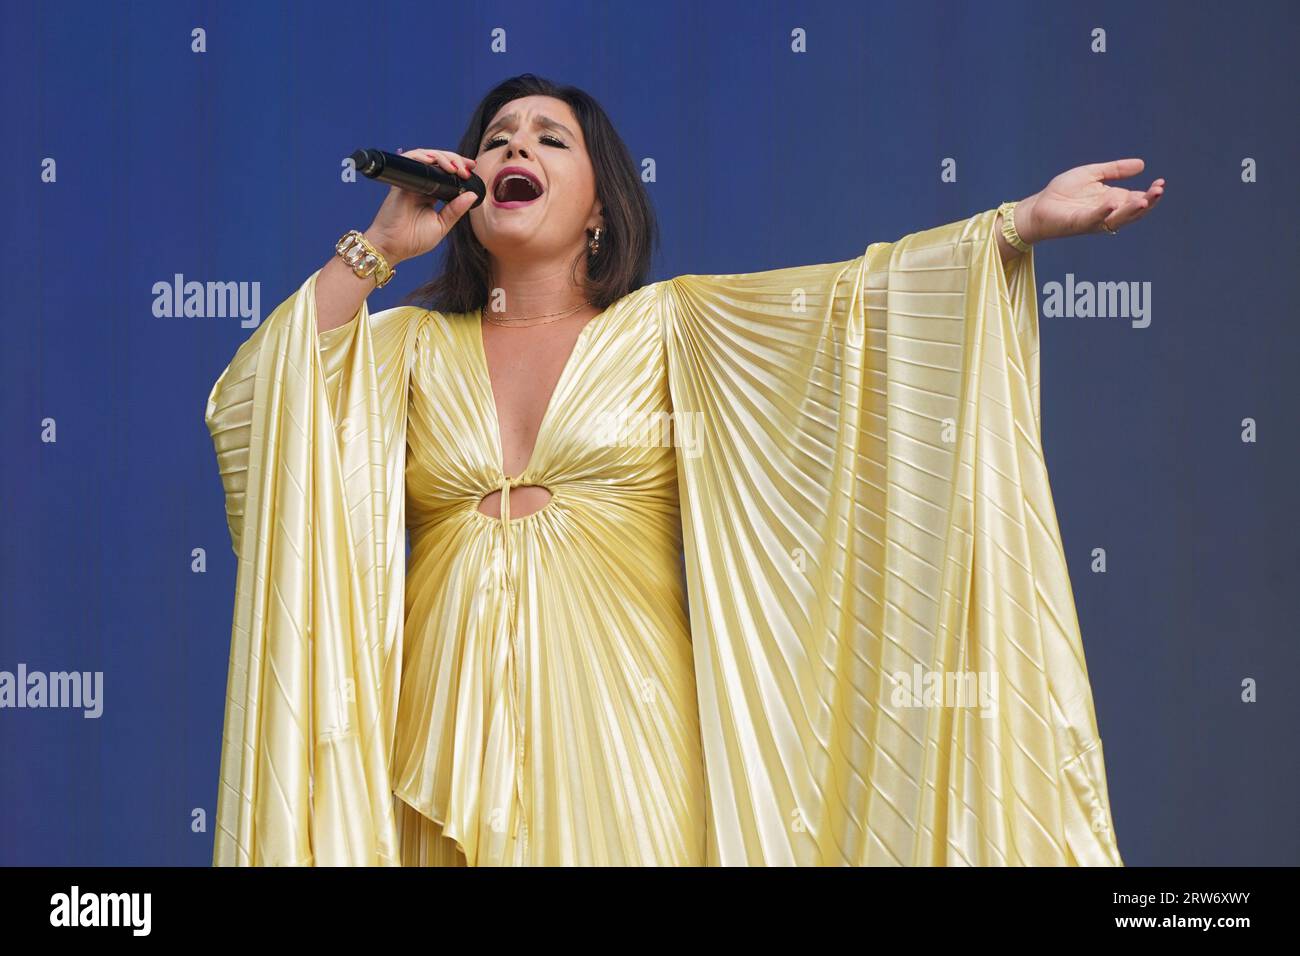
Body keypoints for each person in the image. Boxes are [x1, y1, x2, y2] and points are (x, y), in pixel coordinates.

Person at [204, 73, 1164, 867]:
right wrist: (376, 248)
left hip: (629, 736)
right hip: (436, 741)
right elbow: (262, 409)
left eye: (549, 139)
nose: (513, 152)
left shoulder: (677, 329)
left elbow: (858, 311)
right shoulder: (402, 348)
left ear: (599, 208)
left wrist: (1013, 227)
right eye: (495, 139)